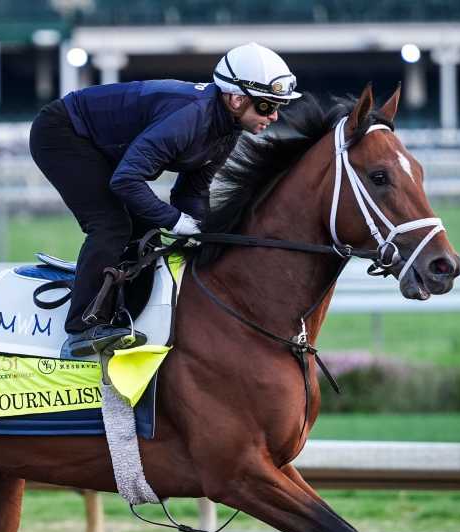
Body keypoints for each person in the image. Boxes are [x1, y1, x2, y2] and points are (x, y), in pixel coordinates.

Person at [29, 42, 301, 357]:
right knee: (112, 225)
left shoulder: (228, 128)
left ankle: (122, 315)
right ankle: (82, 328)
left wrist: (200, 235)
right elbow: (126, 180)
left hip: (102, 147)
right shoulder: (191, 116)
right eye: (267, 106)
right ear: (237, 99)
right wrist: (176, 221)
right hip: (61, 133)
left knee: (147, 231)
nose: (275, 116)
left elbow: (193, 191)